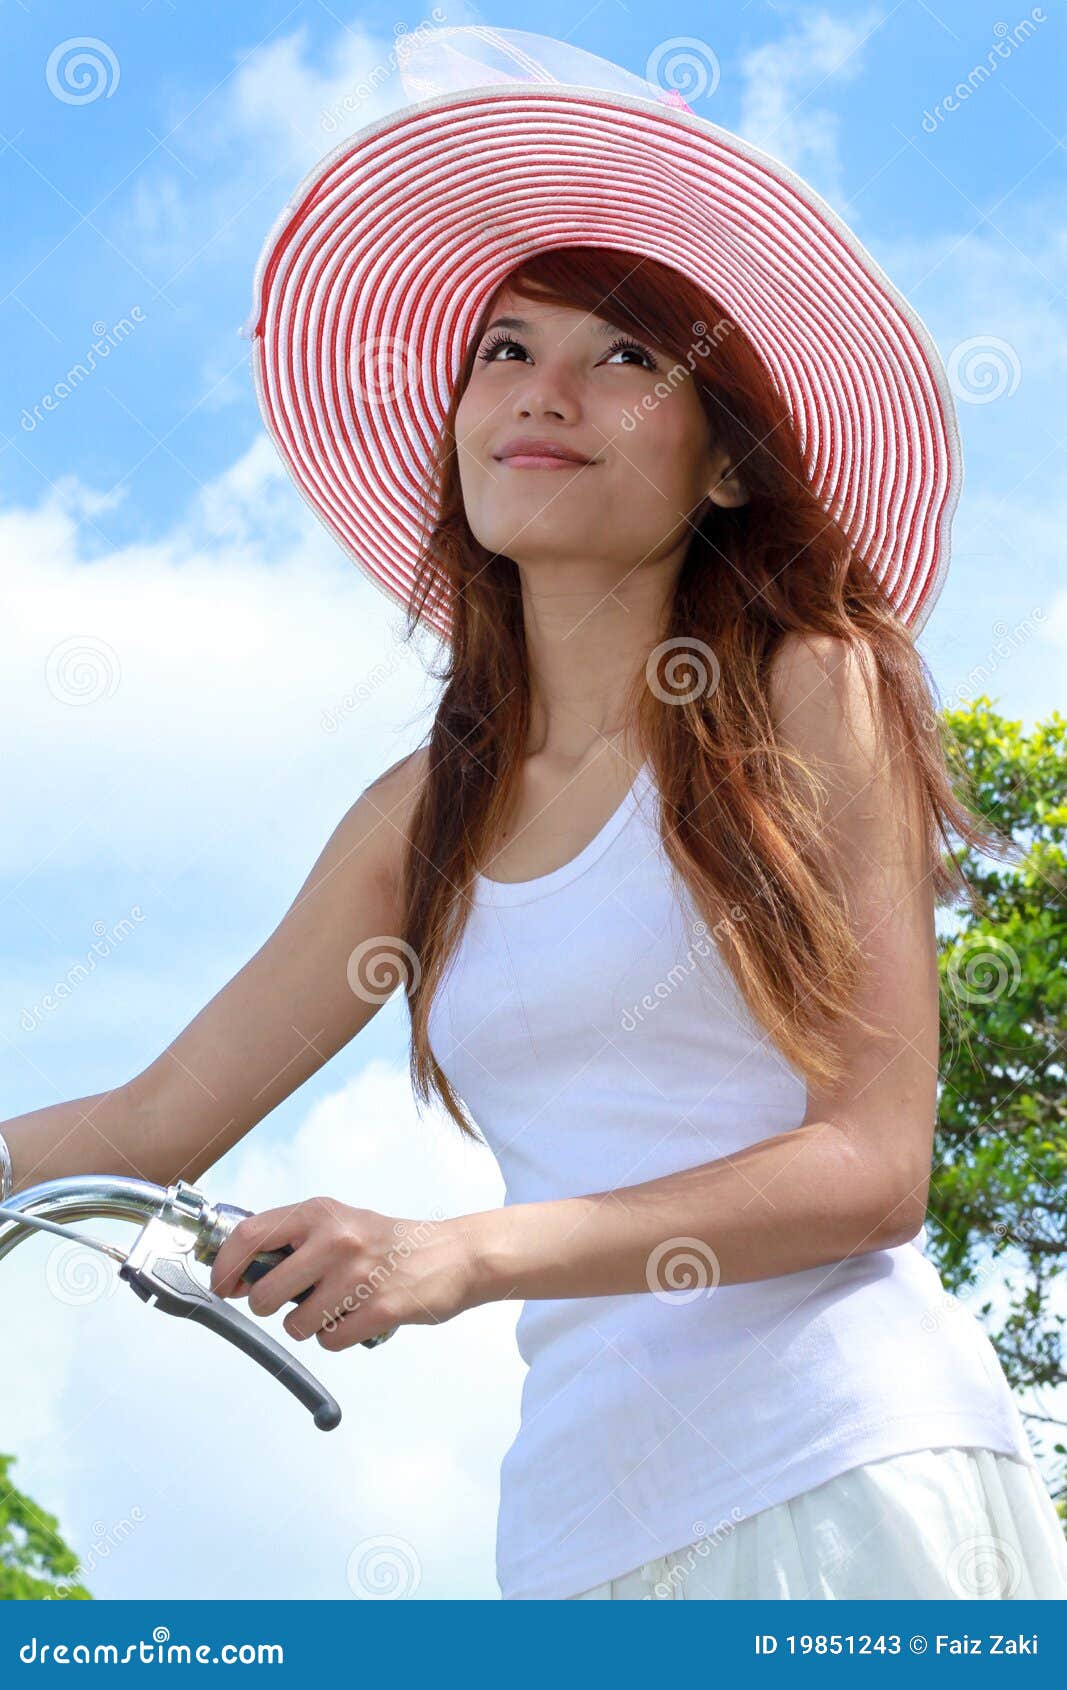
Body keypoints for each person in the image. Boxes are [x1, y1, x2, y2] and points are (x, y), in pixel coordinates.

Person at [4, 26, 1066, 1603]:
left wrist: (459, 1252)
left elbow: (868, 1166)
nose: (545, 393)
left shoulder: (803, 689)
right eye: (506, 348)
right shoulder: (418, 816)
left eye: (628, 359)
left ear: (722, 469)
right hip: (575, 1541)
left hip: (844, 1481)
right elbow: (148, 1128)